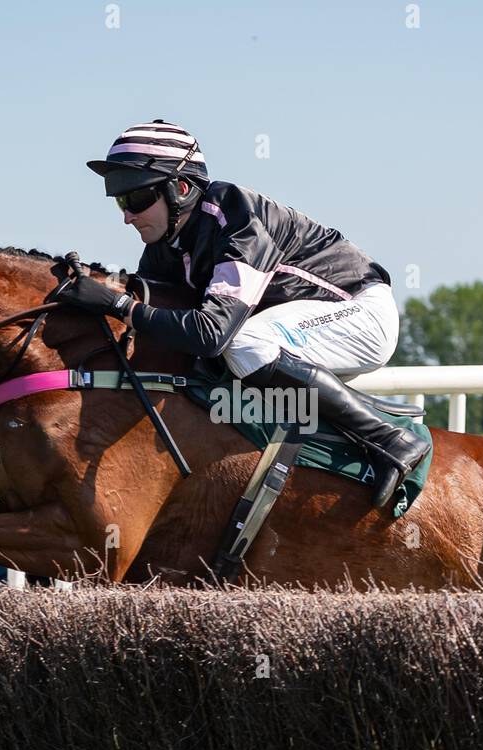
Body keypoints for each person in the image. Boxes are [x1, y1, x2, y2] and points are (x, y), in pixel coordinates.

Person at [53, 119, 429, 508]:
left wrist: (116, 304)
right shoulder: (164, 246)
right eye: (119, 201)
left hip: (358, 314)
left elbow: (209, 334)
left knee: (244, 345)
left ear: (180, 189)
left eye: (135, 200)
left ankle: (390, 437)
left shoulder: (237, 217)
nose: (127, 216)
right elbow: (161, 328)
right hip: (298, 328)